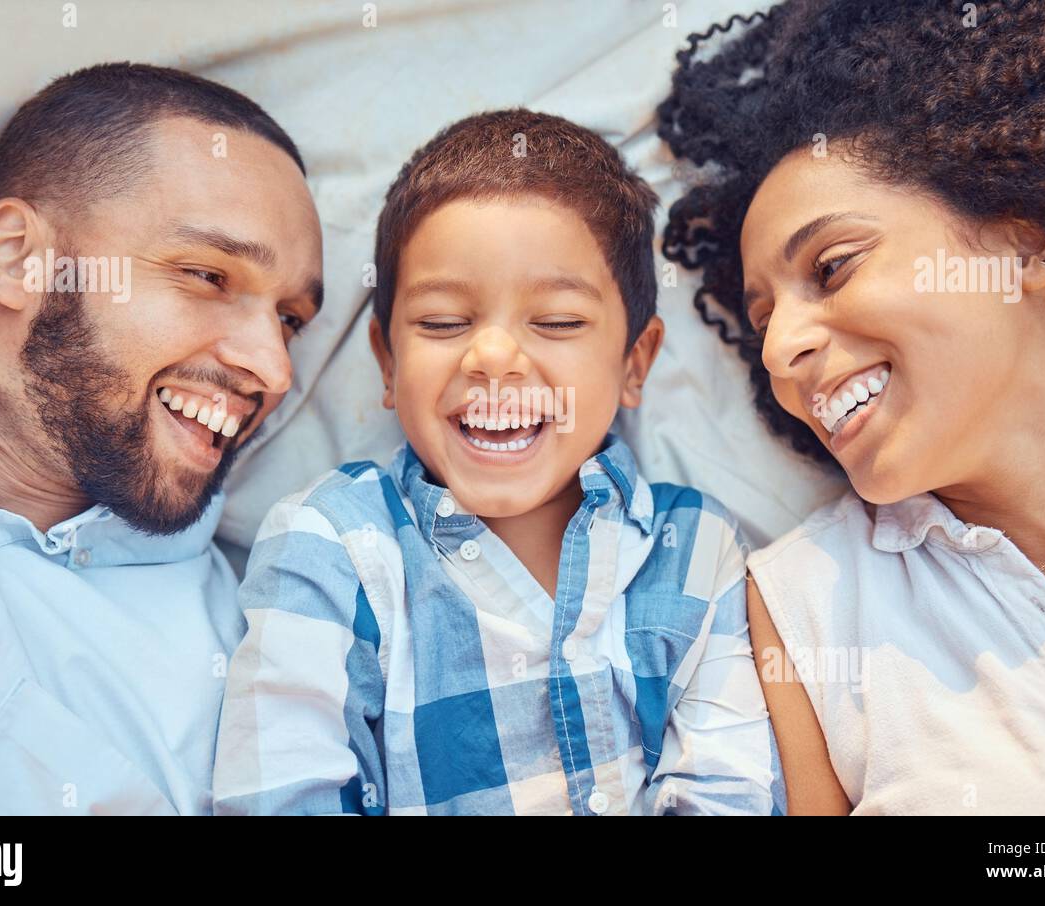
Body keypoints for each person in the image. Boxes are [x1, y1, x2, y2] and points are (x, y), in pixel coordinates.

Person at [659, 0, 1045, 814]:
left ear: (1025, 243)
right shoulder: (806, 608)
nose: (780, 352)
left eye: (831, 268)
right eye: (762, 321)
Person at [213, 109, 780, 815]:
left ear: (635, 362)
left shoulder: (696, 547)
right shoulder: (330, 546)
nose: (492, 357)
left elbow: (731, 793)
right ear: (387, 362)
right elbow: (279, 796)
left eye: (559, 321)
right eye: (445, 323)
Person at [0, 62, 324, 814]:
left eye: (290, 319)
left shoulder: (241, 706)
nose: (274, 369)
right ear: (17, 257)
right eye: (207, 276)